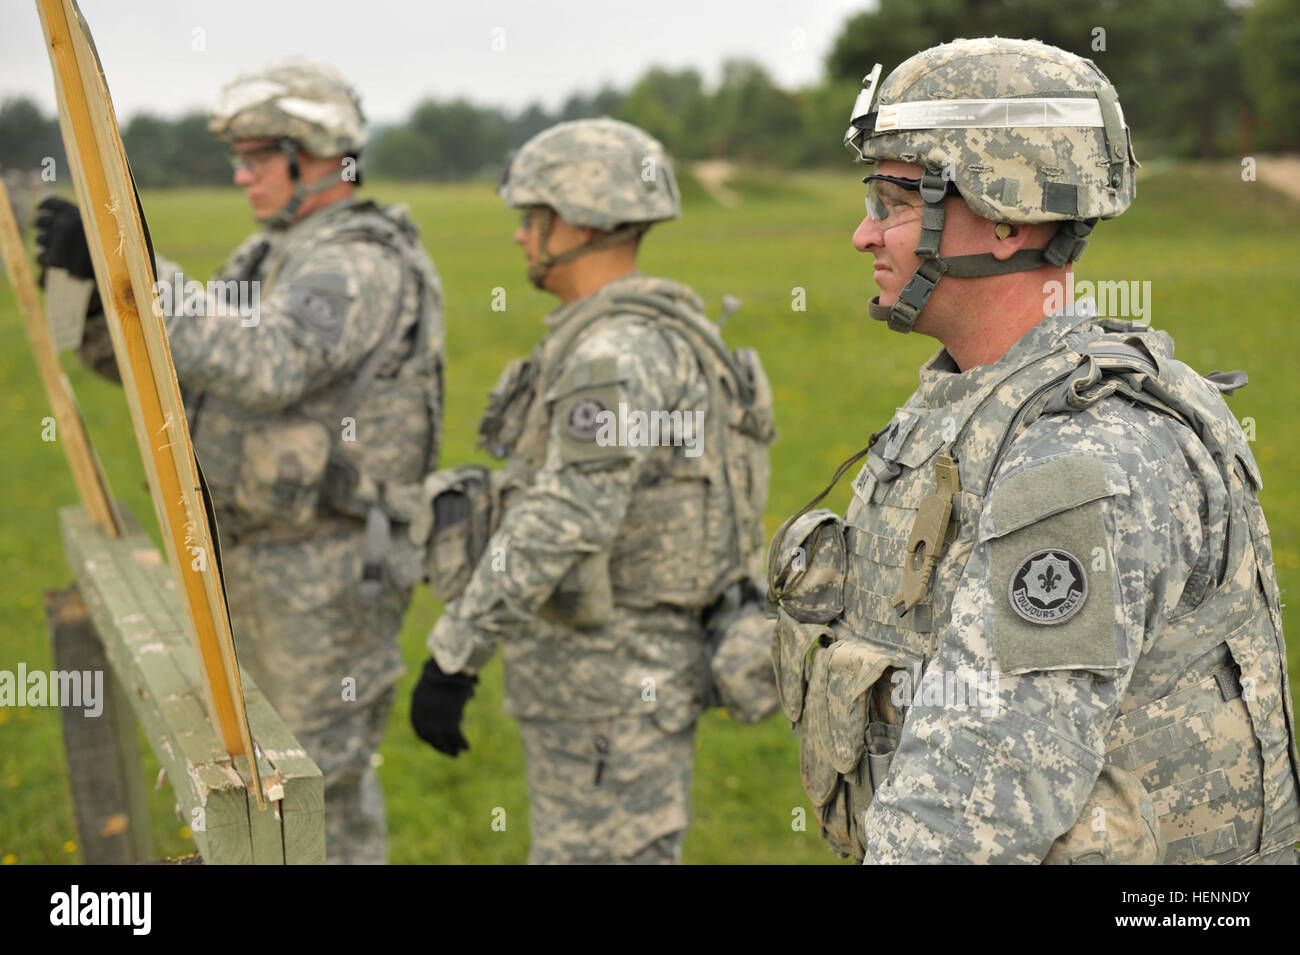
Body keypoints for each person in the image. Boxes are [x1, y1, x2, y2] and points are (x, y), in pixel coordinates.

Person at [767, 37, 1300, 864]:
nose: (862, 234)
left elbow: (972, 802)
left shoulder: (1087, 456)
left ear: (1010, 219)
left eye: (895, 200)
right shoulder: (974, 400)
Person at [35, 59, 444, 864]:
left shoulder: (358, 259)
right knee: (253, 792)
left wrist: (142, 271)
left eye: (258, 155)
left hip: (325, 574)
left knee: (311, 798)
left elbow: (271, 361)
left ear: (319, 154)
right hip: (251, 558)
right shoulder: (270, 252)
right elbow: (183, 364)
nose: (240, 173)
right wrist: (91, 291)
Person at [409, 118, 777, 864]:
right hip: (618, 678)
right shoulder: (651, 328)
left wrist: (454, 652)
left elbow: (571, 509)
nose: (520, 237)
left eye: (530, 217)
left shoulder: (614, 351)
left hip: (607, 683)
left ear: (576, 219)